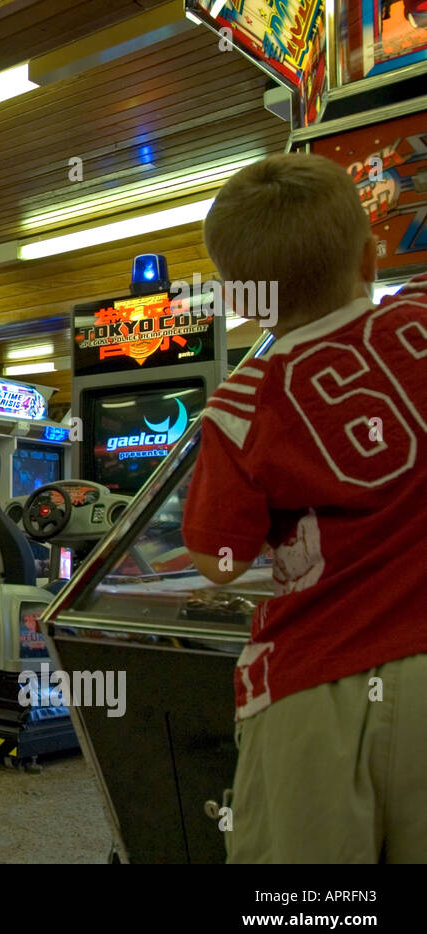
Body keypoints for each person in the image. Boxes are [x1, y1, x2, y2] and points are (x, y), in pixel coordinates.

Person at [181, 151, 427, 863]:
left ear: (243, 304)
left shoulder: (240, 404)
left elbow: (216, 562)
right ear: (371, 259)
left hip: (312, 687)